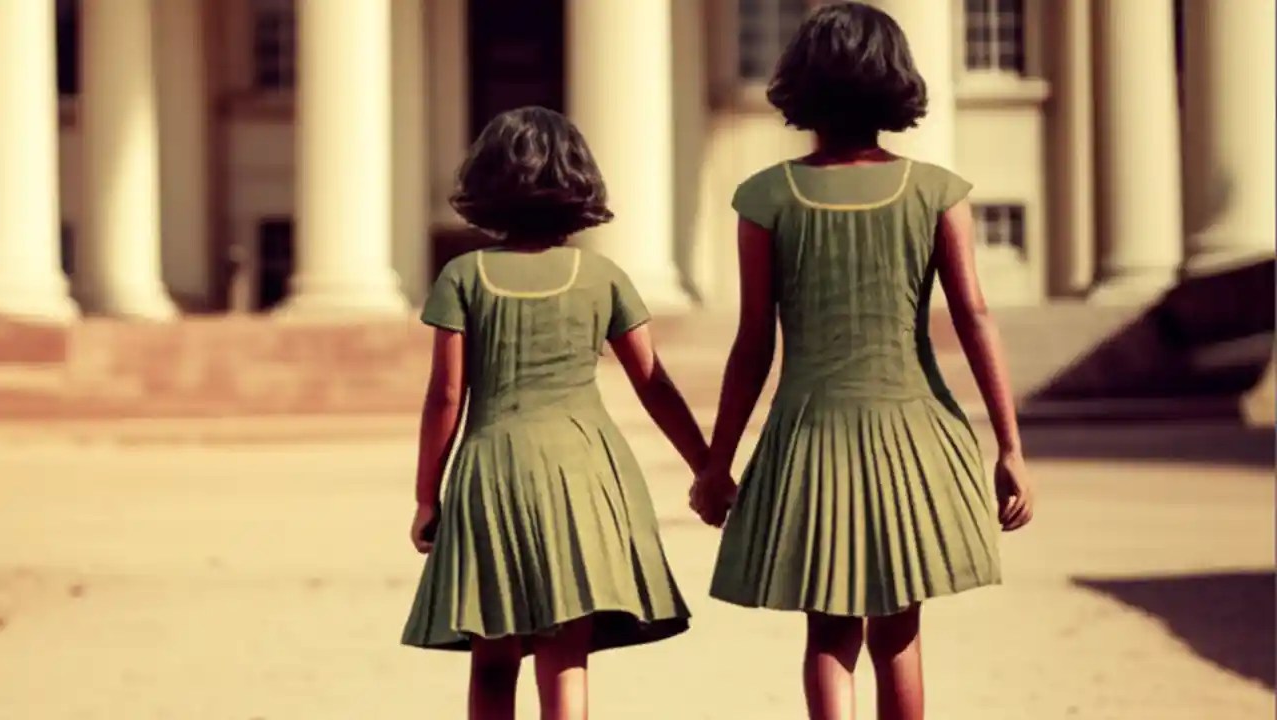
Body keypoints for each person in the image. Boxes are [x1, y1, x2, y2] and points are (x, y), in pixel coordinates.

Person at [690, 3, 1035, 719]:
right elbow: (973, 318)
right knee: (899, 630)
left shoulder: (766, 198)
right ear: (895, 81)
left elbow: (755, 342)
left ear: (799, 85)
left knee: (828, 629)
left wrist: (717, 463)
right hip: (914, 434)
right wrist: (1009, 445)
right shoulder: (937, 192)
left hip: (810, 441)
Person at [401, 106, 716, 720]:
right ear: (581, 182)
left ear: (485, 182)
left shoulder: (464, 276)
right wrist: (707, 464)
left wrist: (425, 497)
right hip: (585, 475)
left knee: (492, 661)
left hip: (491, 472)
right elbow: (653, 382)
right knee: (564, 658)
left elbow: (445, 395)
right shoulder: (602, 275)